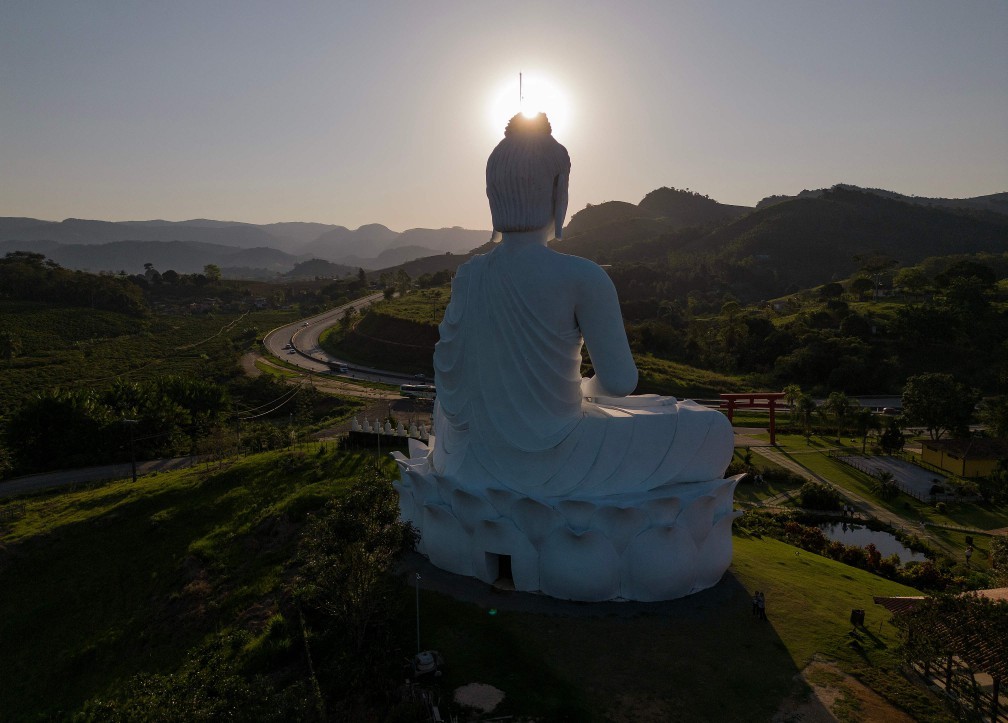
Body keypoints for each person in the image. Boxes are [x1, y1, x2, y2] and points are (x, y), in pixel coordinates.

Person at [430, 112, 733, 498]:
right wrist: (584, 389)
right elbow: (619, 383)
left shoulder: (468, 275)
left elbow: (454, 384)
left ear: (493, 193)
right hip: (553, 455)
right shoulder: (581, 275)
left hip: (466, 458)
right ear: (558, 191)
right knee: (710, 428)